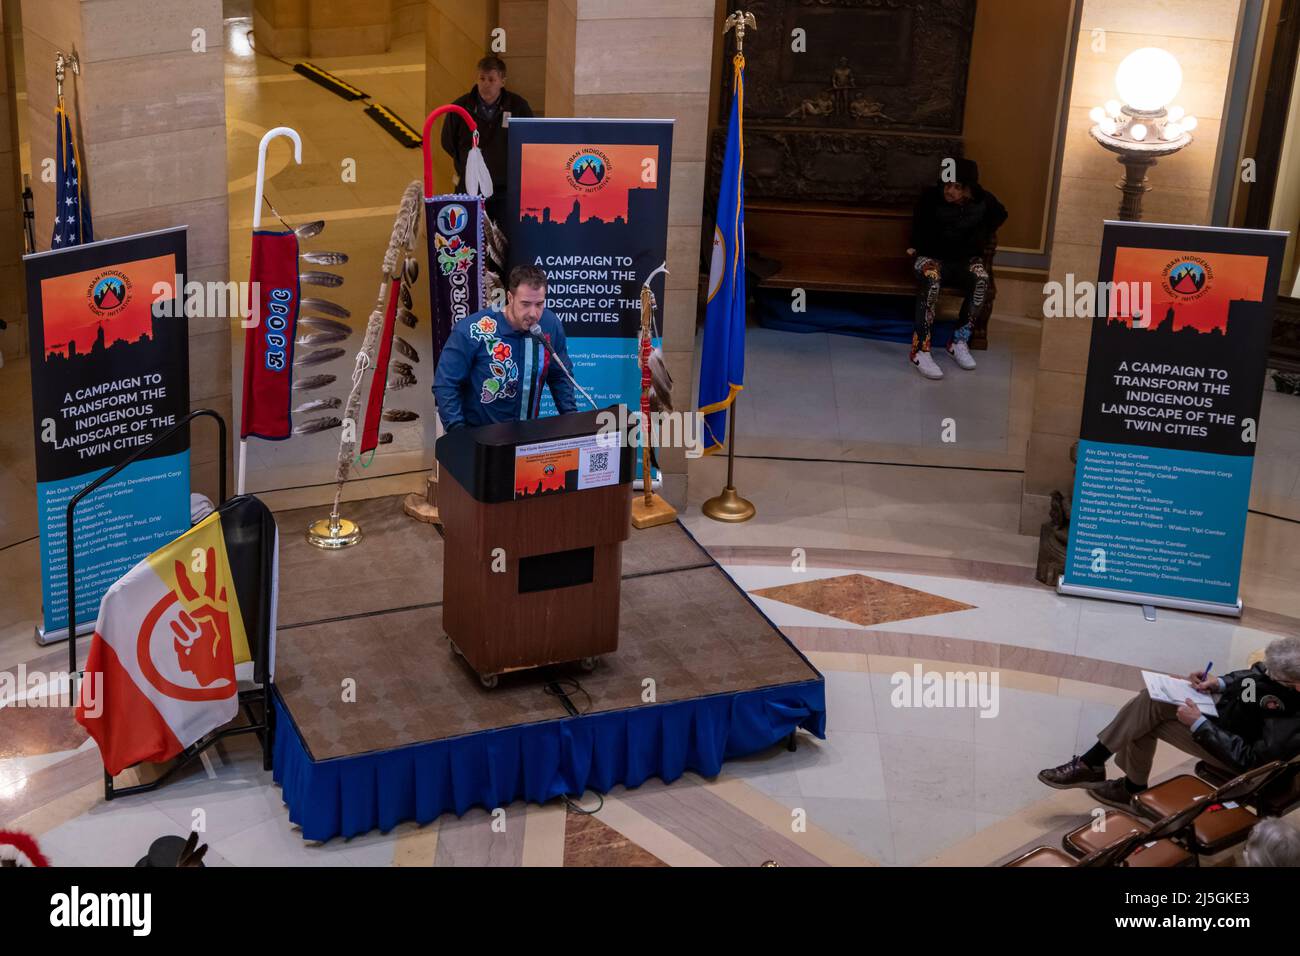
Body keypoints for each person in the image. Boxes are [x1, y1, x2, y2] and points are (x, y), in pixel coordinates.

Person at [1037, 635, 1300, 809]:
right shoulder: (1281, 677)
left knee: (1145, 719)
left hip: (1241, 764)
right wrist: (1218, 683)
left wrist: (1199, 724)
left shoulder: (1291, 718)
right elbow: (1255, 678)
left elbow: (1252, 761)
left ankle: (1117, 780)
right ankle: (1102, 770)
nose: (1266, 675)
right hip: (1233, 725)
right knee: (1152, 700)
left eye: (1273, 676)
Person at [433, 265, 577, 430]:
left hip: (527, 437)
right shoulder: (472, 330)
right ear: (510, 297)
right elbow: (446, 384)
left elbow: (560, 377)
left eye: (539, 304)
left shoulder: (550, 325)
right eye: (525, 304)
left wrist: (571, 421)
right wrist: (458, 432)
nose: (533, 313)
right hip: (479, 437)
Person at [907, 158, 1007, 380]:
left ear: (968, 190)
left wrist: (979, 236)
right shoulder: (930, 199)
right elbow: (918, 235)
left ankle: (959, 340)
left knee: (981, 278)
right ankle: (920, 349)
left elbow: (1000, 215)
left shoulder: (983, 202)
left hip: (964, 260)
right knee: (931, 280)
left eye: (957, 187)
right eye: (947, 185)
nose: (950, 191)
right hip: (931, 258)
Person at [440, 55, 534, 224]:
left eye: (491, 79)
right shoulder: (460, 108)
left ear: (502, 82)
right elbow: (448, 143)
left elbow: (530, 143)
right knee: (469, 240)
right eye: (482, 78)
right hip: (470, 189)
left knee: (503, 241)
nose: (485, 84)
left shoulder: (518, 107)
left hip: (504, 191)